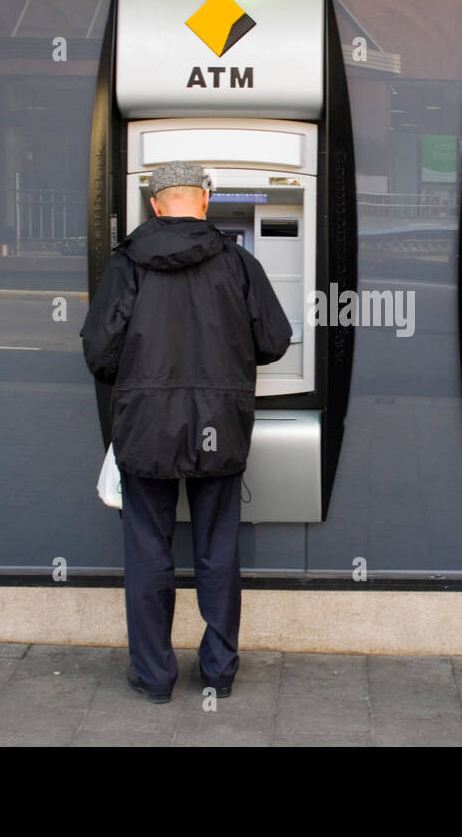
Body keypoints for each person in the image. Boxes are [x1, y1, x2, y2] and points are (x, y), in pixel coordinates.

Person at [80, 160, 292, 703]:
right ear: (204, 199)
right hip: (219, 427)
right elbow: (273, 340)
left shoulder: (127, 265)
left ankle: (154, 677)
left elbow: (99, 351)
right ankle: (219, 672)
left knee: (148, 549)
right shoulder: (239, 263)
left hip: (145, 427)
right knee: (217, 546)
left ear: (155, 204)